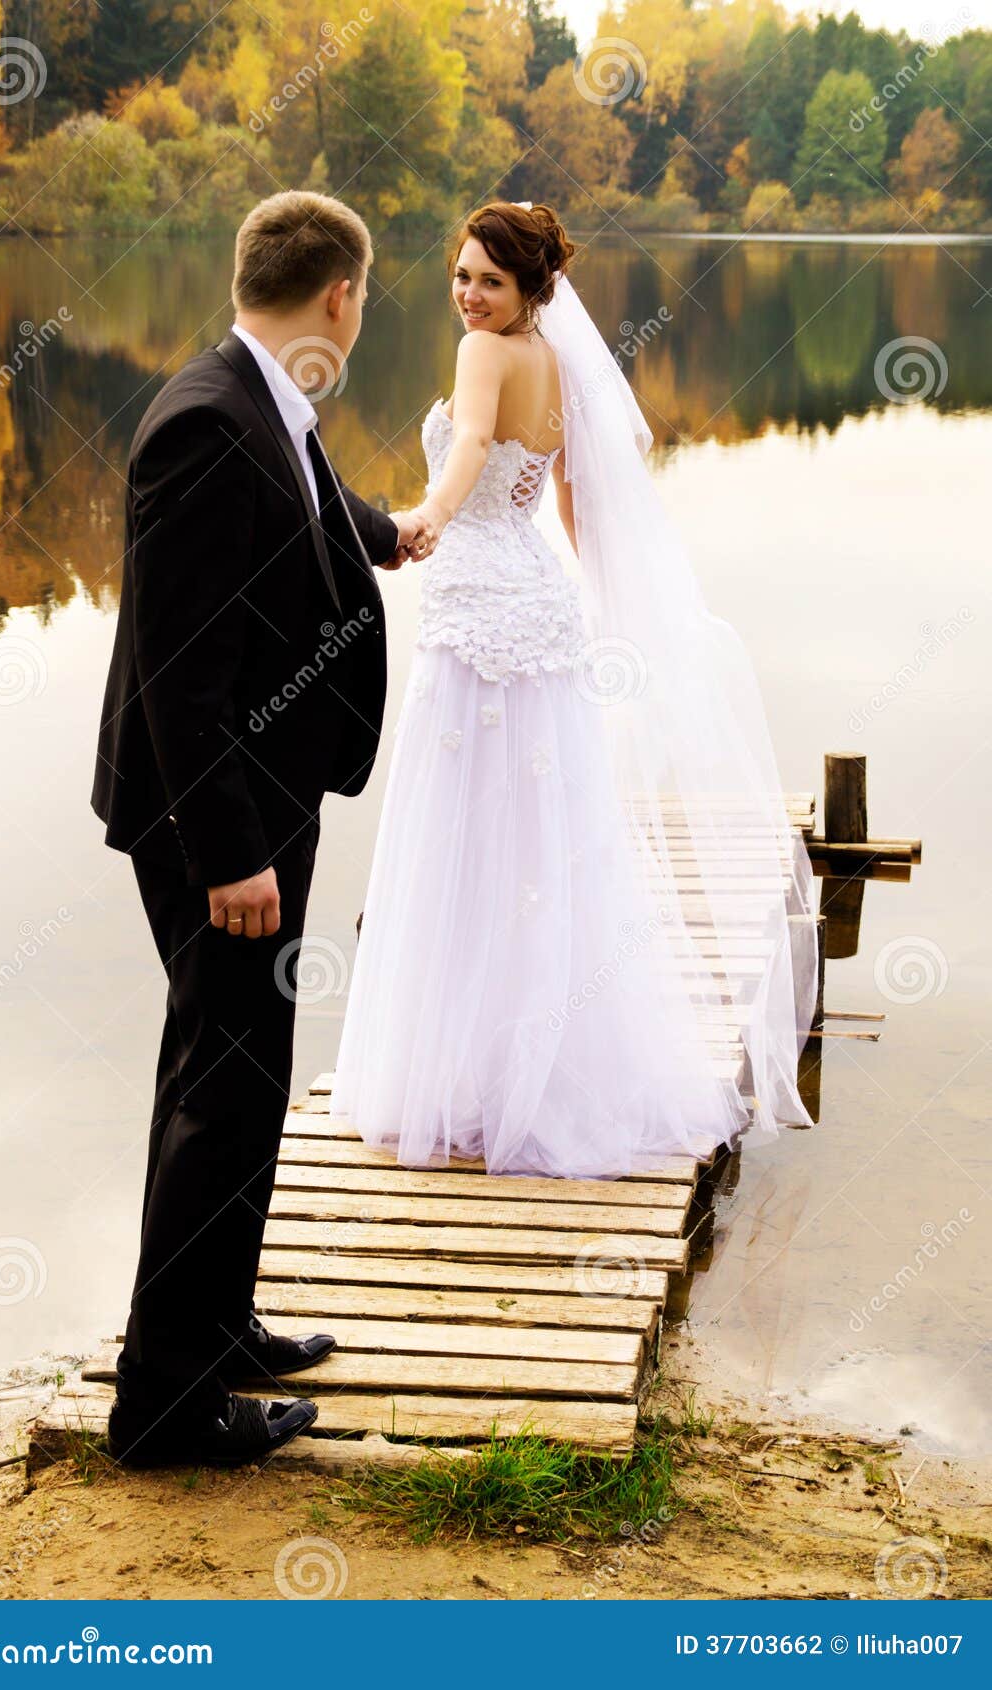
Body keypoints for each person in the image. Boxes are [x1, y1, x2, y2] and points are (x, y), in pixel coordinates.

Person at [329, 200, 817, 1177]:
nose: (468, 295)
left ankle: (464, 1075)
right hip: (539, 603)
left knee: (464, 827)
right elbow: (565, 490)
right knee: (544, 831)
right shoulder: (559, 360)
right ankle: (540, 1065)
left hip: (476, 606)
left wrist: (418, 518)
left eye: (489, 282)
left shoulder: (485, 357)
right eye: (462, 275)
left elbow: (469, 448)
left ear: (528, 288)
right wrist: (599, 595)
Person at [91, 190, 432, 1466]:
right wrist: (230, 853)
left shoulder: (260, 399)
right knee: (220, 1089)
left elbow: (311, 490)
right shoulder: (202, 425)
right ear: (341, 294)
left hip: (257, 805)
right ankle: (168, 1406)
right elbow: (179, 671)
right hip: (212, 825)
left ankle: (213, 1320)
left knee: (240, 1076)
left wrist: (389, 536)